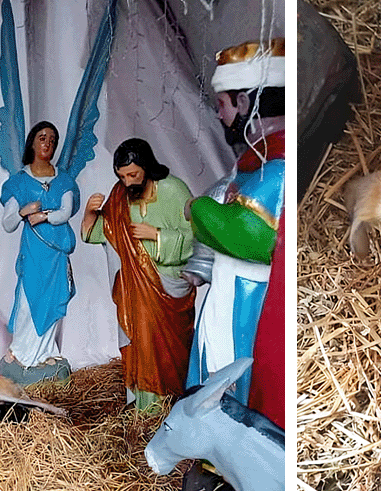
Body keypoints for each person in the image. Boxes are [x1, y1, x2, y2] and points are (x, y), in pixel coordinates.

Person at [184, 38, 286, 426]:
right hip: (230, 287)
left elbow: (252, 236)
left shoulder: (275, 167)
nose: (221, 115)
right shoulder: (253, 160)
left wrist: (199, 209)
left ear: (245, 103)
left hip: (249, 294)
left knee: (234, 370)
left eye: (224, 104)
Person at [81, 138, 196, 411]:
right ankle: (147, 407)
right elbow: (100, 233)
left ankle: (171, 402)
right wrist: (88, 213)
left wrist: (157, 236)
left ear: (147, 167)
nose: (127, 182)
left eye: (133, 175)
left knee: (168, 349)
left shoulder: (174, 190)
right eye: (122, 177)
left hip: (168, 287)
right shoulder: (119, 197)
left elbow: (196, 237)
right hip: (135, 291)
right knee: (140, 338)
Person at [0, 120, 78, 384]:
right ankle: (21, 355)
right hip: (33, 254)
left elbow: (66, 211)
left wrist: (43, 216)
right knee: (27, 303)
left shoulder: (64, 180)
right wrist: (24, 211)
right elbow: (8, 223)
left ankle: (45, 354)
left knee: (54, 300)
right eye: (43, 138)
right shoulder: (19, 182)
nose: (48, 144)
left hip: (56, 253)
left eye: (53, 140)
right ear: (32, 142)